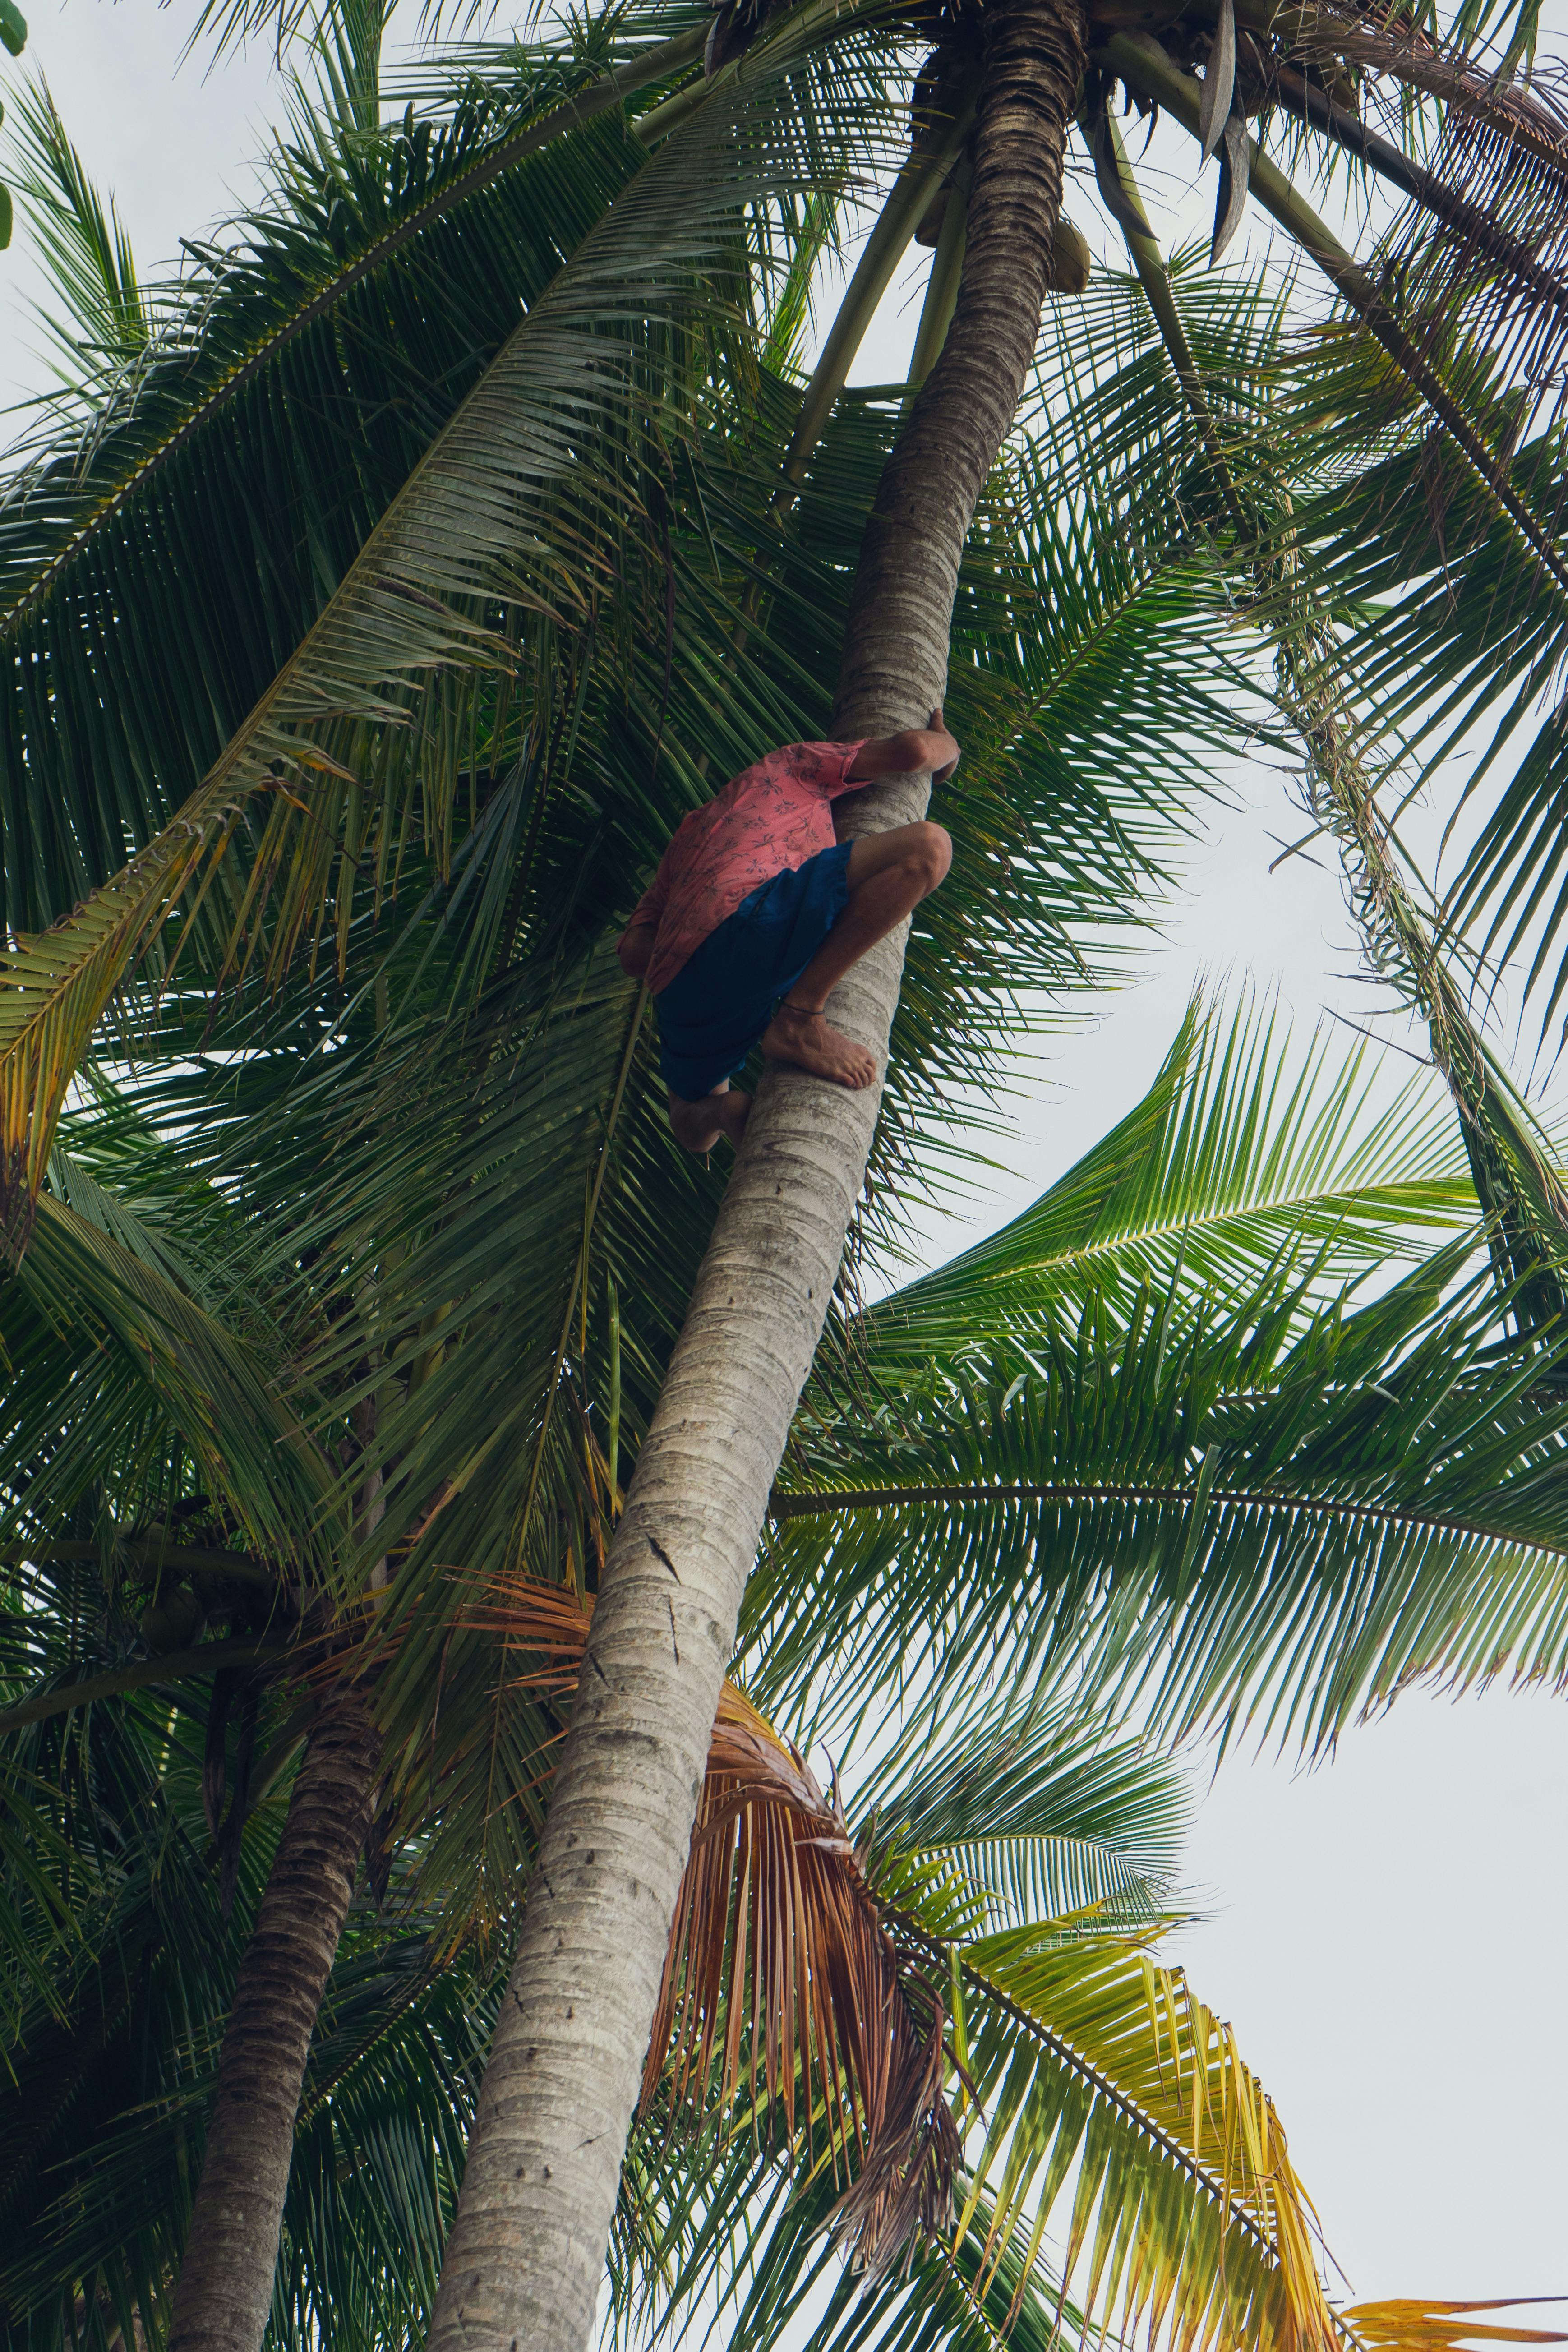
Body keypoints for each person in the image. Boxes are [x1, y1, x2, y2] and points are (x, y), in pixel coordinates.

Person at [617, 710, 959, 1154]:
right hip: (752, 918)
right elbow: (912, 752)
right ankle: (800, 1017)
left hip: (680, 985)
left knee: (688, 1119)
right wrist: (948, 747)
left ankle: (719, 1113)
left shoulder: (685, 840)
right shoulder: (789, 764)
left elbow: (632, 953)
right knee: (928, 848)